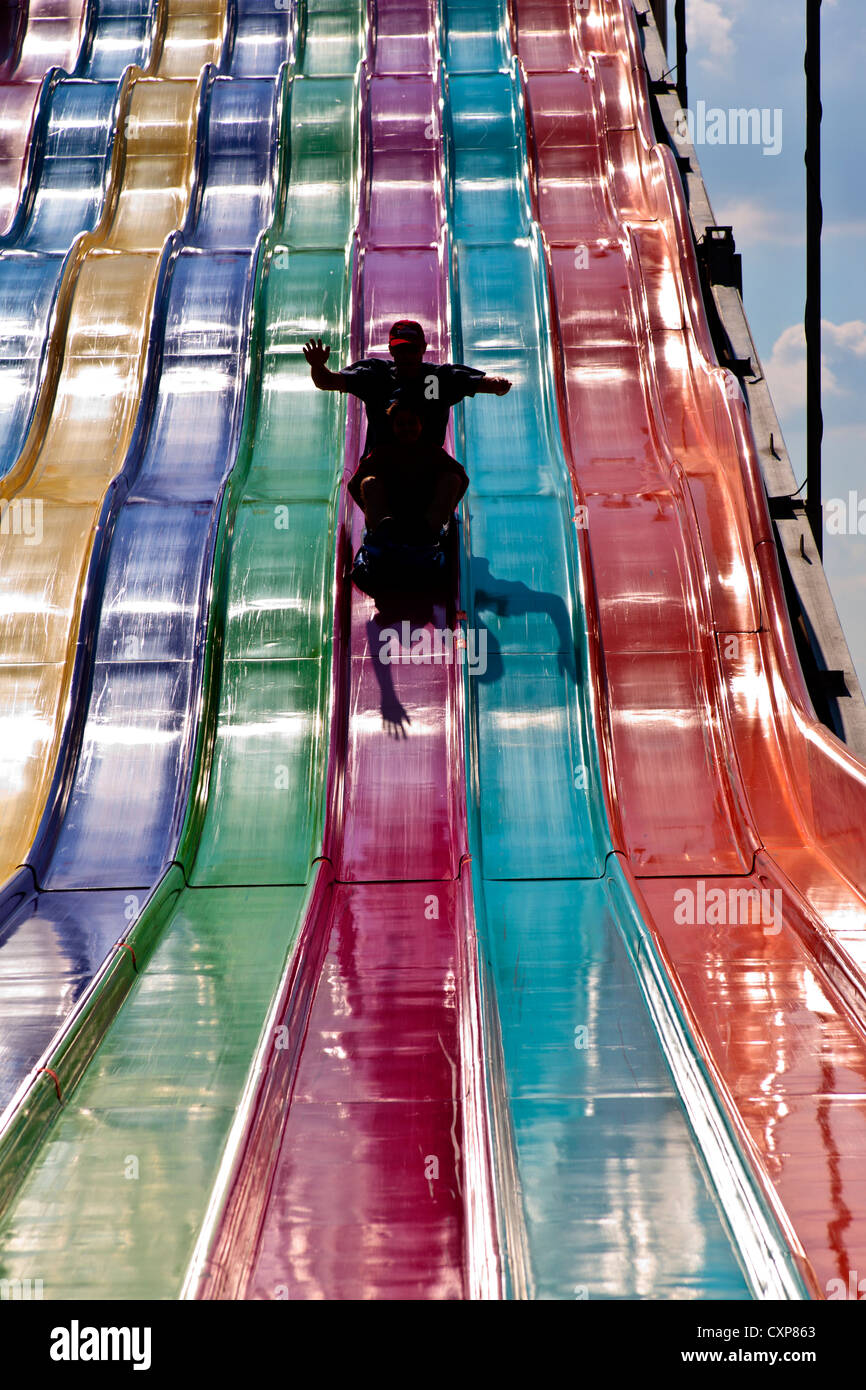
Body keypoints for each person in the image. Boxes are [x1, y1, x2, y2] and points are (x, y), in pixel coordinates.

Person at [303, 317, 511, 461]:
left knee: (451, 477)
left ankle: (437, 522)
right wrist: (317, 366)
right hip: (382, 465)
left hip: (426, 466)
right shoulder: (376, 375)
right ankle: (379, 524)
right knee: (371, 483)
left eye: (412, 349)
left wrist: (498, 384)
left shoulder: (438, 378)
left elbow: (481, 383)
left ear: (423, 348)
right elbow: (327, 382)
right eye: (401, 349)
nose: (407, 355)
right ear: (391, 349)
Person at [347, 401, 469, 544]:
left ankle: (431, 531)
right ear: (392, 427)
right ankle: (384, 531)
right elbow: (353, 484)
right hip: (392, 517)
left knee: (452, 479)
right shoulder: (384, 453)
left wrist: (445, 510)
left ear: (421, 425)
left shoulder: (431, 451)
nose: (407, 428)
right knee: (369, 483)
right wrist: (371, 513)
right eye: (400, 424)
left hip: (426, 519)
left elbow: (461, 478)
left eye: (412, 423)